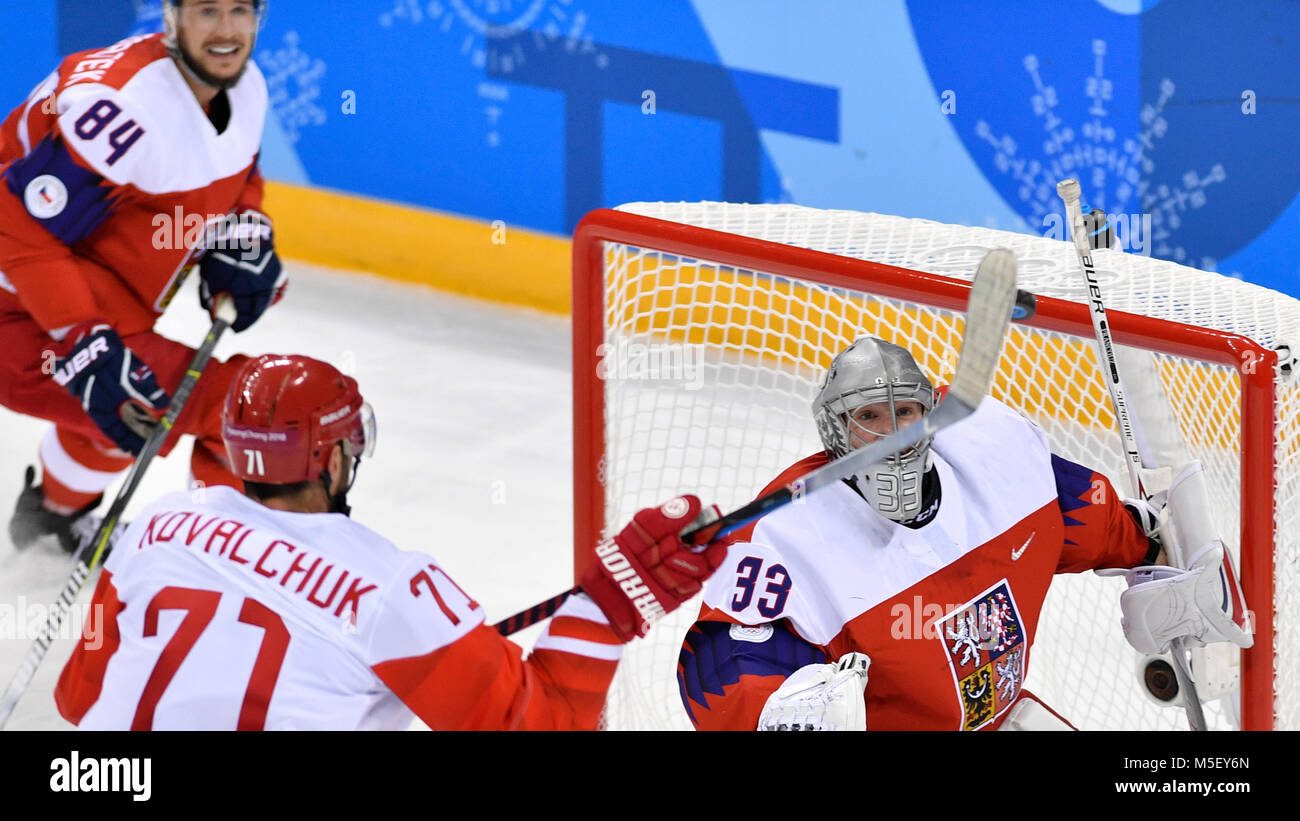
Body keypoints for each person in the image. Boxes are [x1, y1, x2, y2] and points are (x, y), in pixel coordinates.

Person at [54, 354, 727, 730]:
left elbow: (77, 702)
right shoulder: (390, 587)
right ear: (333, 459)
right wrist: (611, 606)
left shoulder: (158, 525)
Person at [676, 337, 1253, 730]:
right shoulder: (784, 532)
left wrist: (1152, 549)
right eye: (869, 417)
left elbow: (1085, 514)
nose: (892, 434)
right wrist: (778, 712)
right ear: (836, 430)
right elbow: (720, 660)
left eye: (906, 413)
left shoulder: (993, 458)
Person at [2, 0, 284, 553]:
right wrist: (81, 338)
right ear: (171, 16)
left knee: (124, 411)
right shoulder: (118, 109)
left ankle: (54, 519)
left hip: (96, 299)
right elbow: (12, 225)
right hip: (21, 316)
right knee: (254, 410)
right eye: (207, 11)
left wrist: (243, 230)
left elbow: (236, 167)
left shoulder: (245, 87)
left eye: (239, 11)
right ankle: (220, 572)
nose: (226, 31)